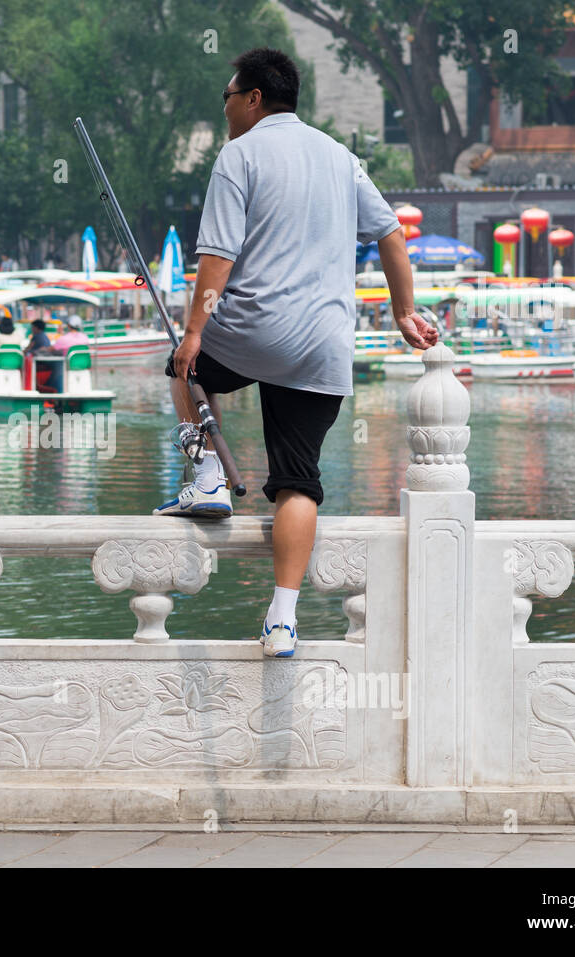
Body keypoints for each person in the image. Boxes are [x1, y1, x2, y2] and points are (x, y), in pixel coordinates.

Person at [160, 48, 436, 658]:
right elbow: (391, 233)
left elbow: (216, 258)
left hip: (253, 329)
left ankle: (207, 477)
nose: (227, 106)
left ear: (253, 98)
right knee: (298, 482)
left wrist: (196, 331)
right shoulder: (340, 156)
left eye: (228, 96)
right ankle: (283, 619)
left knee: (184, 366)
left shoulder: (239, 154)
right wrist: (401, 312)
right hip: (322, 347)